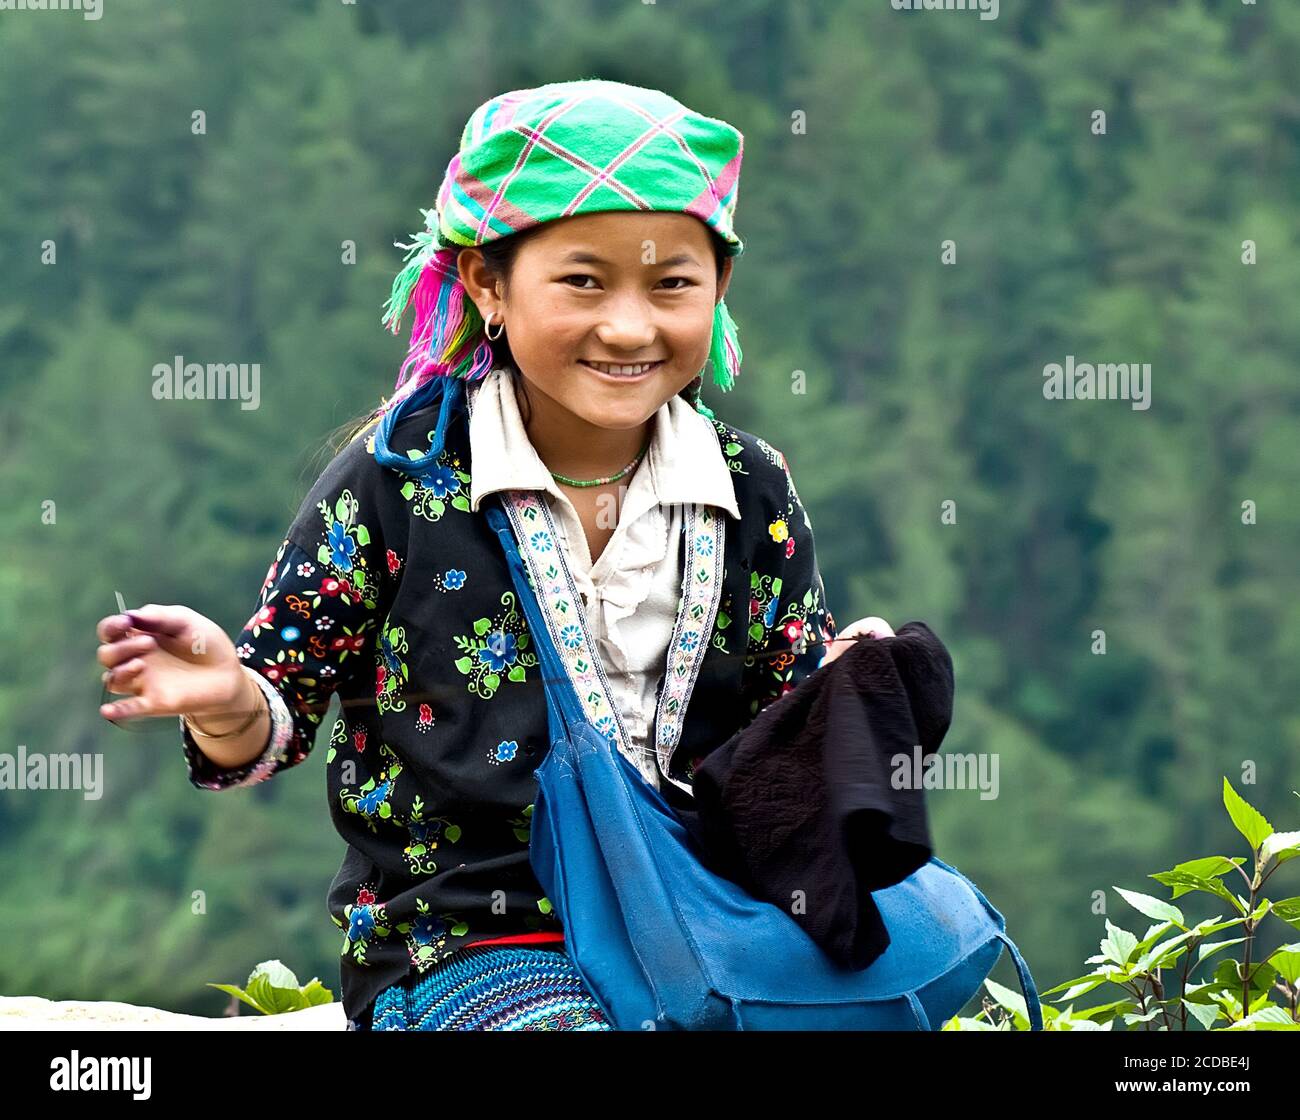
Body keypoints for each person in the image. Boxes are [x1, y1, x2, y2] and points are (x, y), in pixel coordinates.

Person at [93, 78, 893, 1031]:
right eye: (583, 281)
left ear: (719, 287)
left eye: (672, 283)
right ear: (486, 284)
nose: (632, 326)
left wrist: (848, 695)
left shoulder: (750, 490)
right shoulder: (399, 481)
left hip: (709, 925)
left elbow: (778, 757)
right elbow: (271, 721)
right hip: (469, 943)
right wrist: (226, 697)